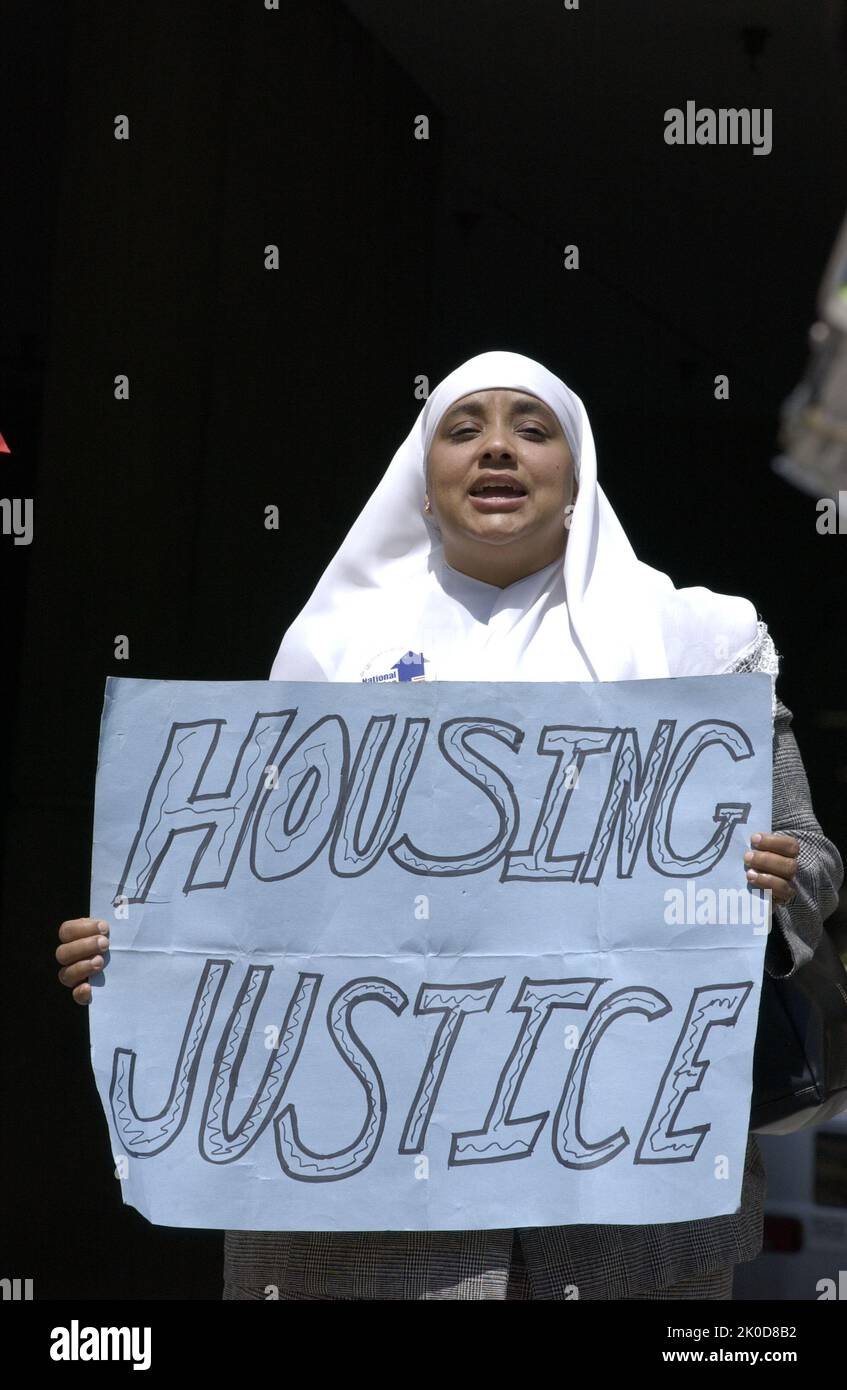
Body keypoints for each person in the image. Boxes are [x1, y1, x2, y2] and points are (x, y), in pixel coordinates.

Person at [57, 350, 844, 1300]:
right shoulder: (331, 653)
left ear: (576, 474)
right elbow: (253, 903)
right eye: (464, 428)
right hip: (362, 1230)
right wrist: (140, 954)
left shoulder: (699, 641)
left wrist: (775, 874)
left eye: (532, 427)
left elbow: (811, 856)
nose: (497, 449)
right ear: (422, 479)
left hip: (616, 1220)